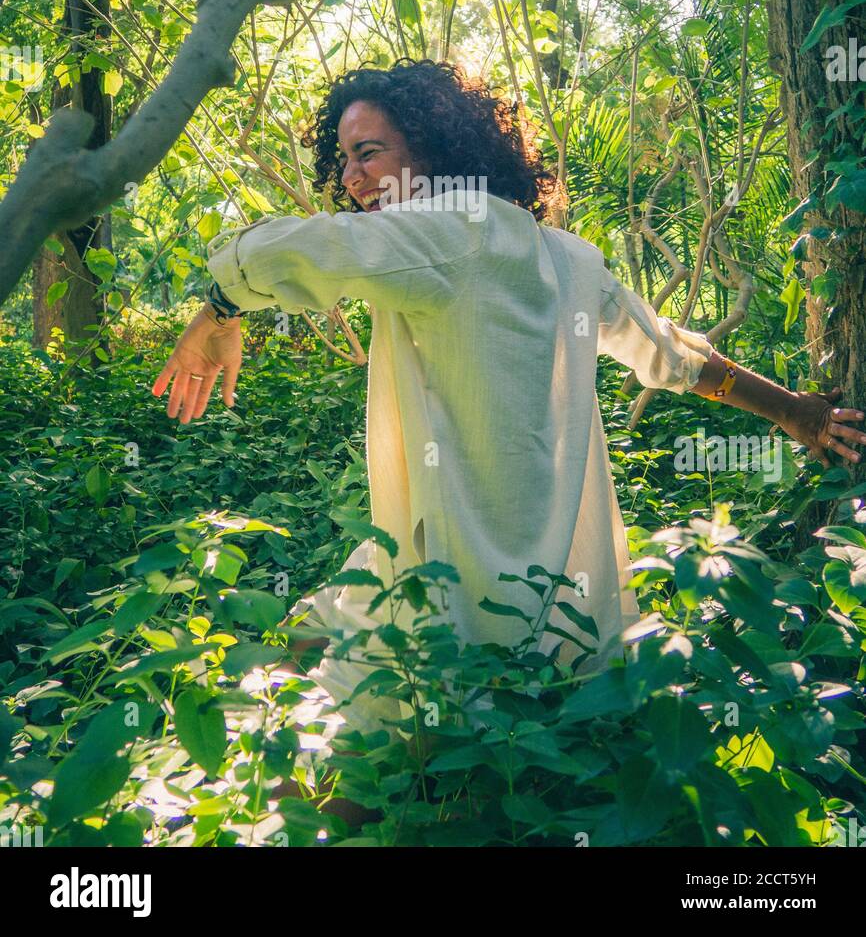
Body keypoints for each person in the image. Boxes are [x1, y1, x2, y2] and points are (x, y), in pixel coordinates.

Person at [152, 58, 865, 805]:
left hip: (453, 585)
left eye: (370, 152)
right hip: (561, 592)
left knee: (339, 778)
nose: (353, 175)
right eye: (345, 157)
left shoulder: (437, 232)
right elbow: (674, 354)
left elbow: (282, 250)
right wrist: (795, 411)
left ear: (432, 149)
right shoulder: (567, 257)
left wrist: (216, 311)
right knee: (316, 651)